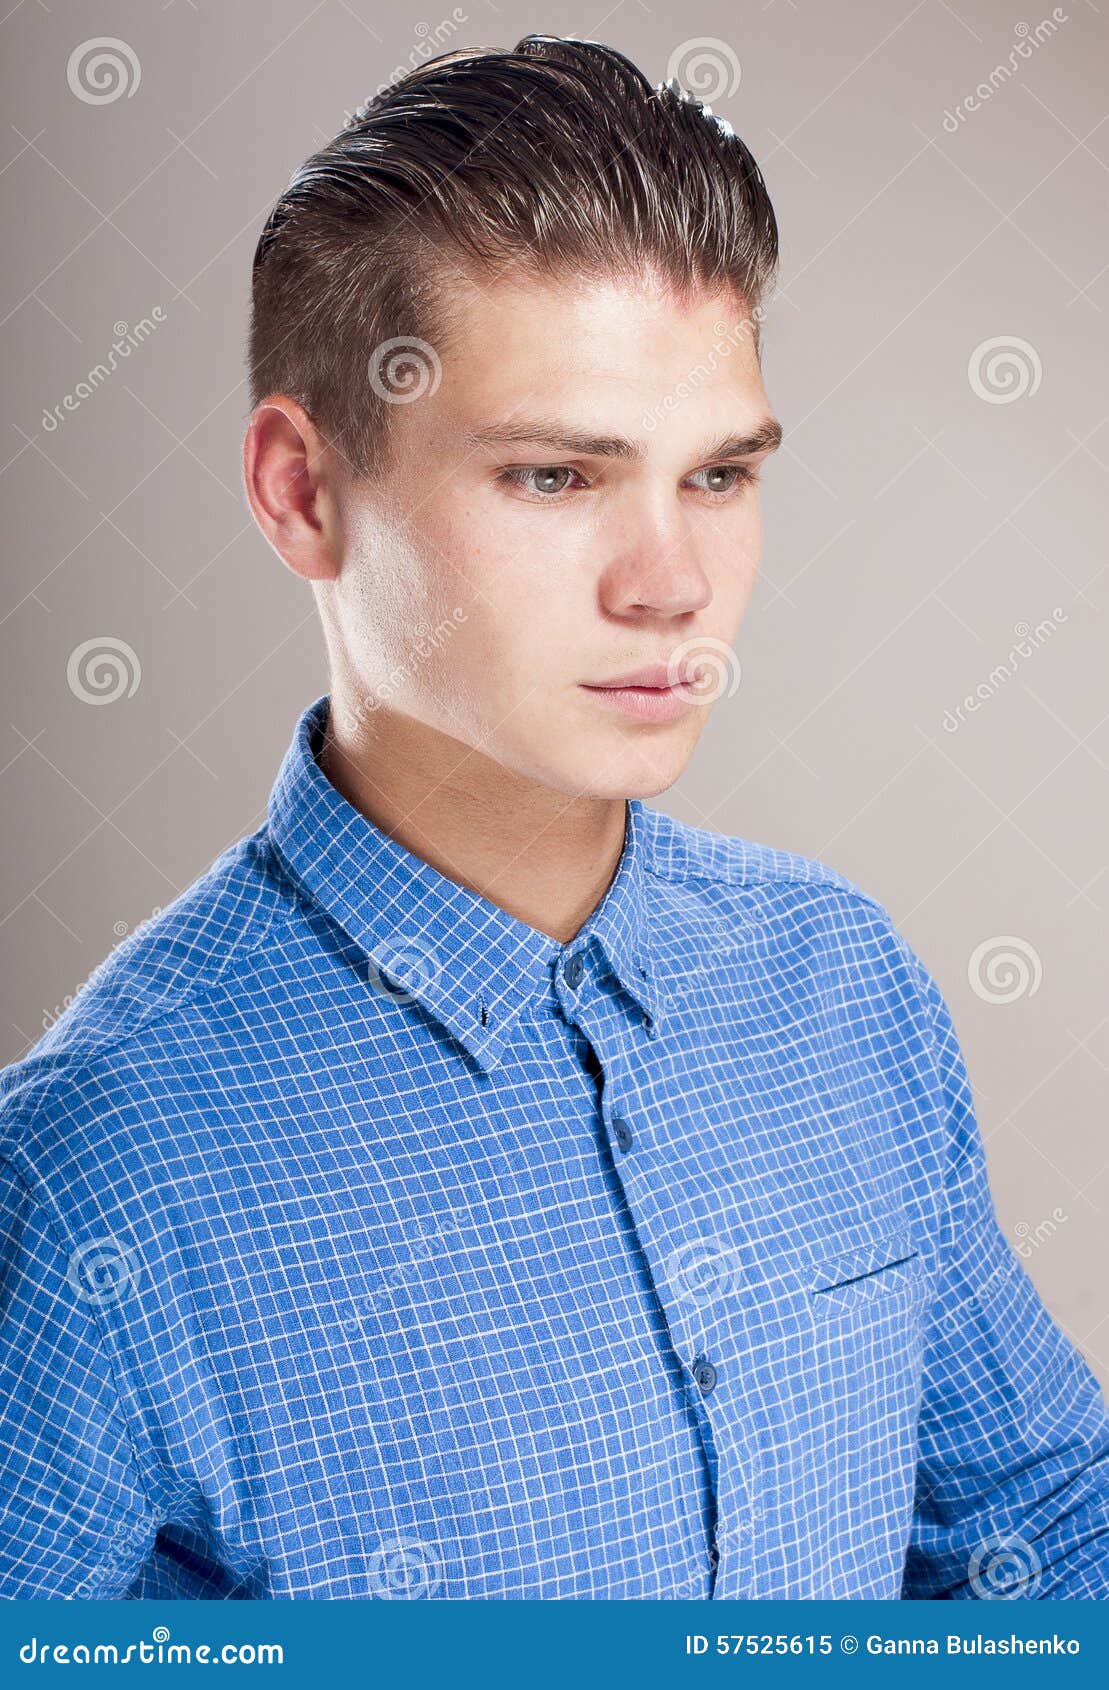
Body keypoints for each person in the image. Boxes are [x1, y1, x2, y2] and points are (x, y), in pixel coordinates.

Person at [1, 34, 1106, 1602]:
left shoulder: (841, 988)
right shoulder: (102, 1166)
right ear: (302, 492)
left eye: (717, 476)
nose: (668, 582)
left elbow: (1045, 1515)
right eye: (553, 477)